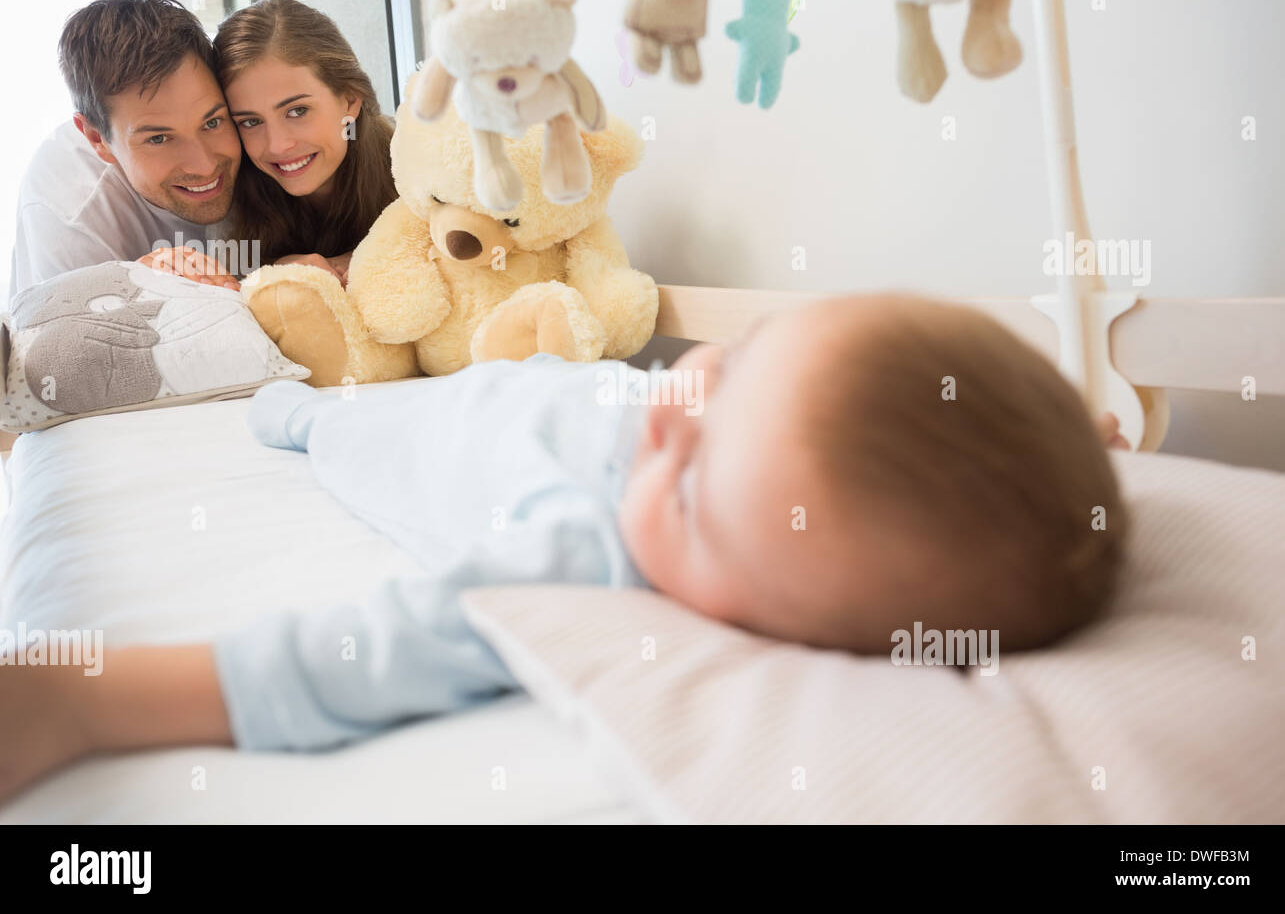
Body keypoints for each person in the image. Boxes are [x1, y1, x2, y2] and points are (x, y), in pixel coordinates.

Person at [0, 294, 1131, 793]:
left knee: (319, 414)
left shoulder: (589, 561)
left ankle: (294, 408)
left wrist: (89, 698)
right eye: (729, 371)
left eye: (686, 488)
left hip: (415, 429)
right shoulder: (690, 426)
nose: (674, 411)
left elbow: (381, 644)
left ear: (746, 614)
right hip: (544, 380)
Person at [9, 0, 242, 300]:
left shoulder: (252, 133)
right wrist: (139, 286)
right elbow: (88, 342)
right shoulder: (73, 213)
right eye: (158, 139)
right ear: (97, 139)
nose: (205, 165)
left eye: (212, 122)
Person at [214, 0, 398, 287]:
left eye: (297, 111)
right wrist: (271, 271)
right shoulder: (230, 204)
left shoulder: (418, 162)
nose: (277, 145)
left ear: (350, 100)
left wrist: (379, 255)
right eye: (250, 121)